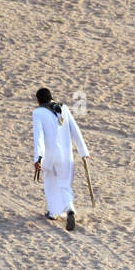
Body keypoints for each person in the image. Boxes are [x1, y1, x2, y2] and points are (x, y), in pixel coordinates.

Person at [31, 87, 89, 231]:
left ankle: (53, 212)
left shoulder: (37, 112)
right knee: (65, 184)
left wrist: (38, 158)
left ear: (39, 100)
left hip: (49, 157)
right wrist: (83, 152)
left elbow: (38, 137)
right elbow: (76, 130)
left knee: (50, 184)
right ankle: (70, 209)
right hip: (65, 156)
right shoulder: (64, 109)